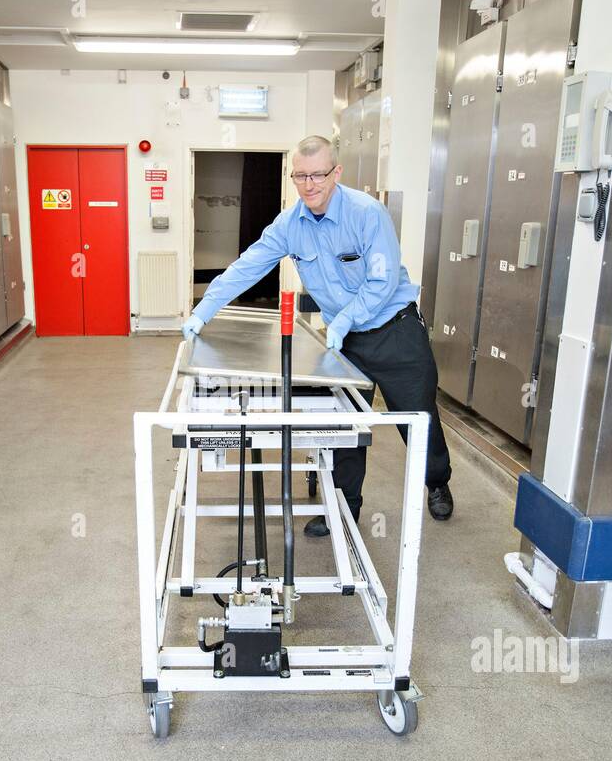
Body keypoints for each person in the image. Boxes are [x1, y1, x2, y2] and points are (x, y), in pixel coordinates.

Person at [182, 135, 453, 535]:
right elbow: (247, 268)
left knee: (417, 416)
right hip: (346, 344)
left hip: (395, 333)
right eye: (301, 176)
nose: (309, 185)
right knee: (344, 426)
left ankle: (437, 481)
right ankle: (344, 509)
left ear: (336, 172)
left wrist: (343, 319)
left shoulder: (367, 213)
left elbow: (381, 282)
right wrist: (203, 310)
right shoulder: (290, 225)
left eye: (318, 175)